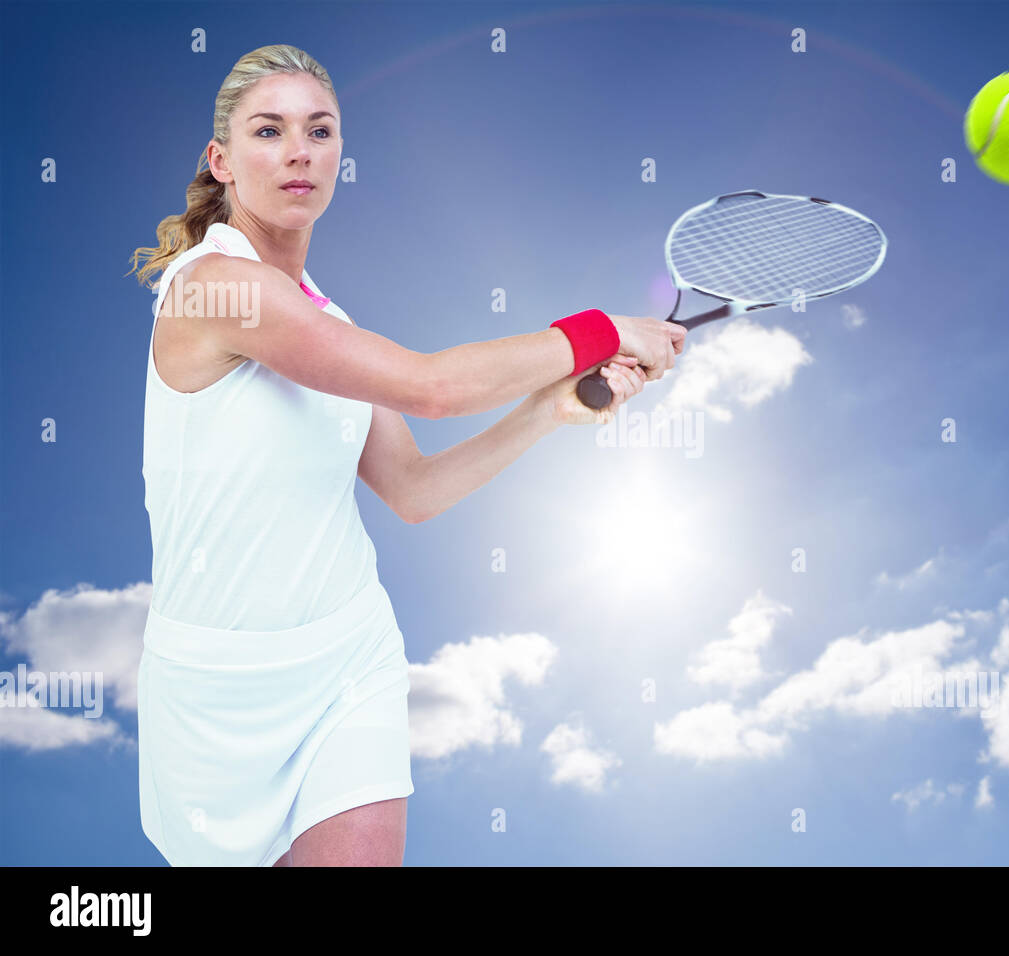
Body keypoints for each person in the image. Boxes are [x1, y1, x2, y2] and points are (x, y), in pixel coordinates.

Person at [125, 43, 684, 867]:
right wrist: (603, 330)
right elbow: (432, 387)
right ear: (223, 161)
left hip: (347, 663)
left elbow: (414, 489)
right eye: (269, 131)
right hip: (211, 691)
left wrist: (545, 411)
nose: (298, 152)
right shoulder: (215, 287)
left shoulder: (329, 321)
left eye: (320, 132)